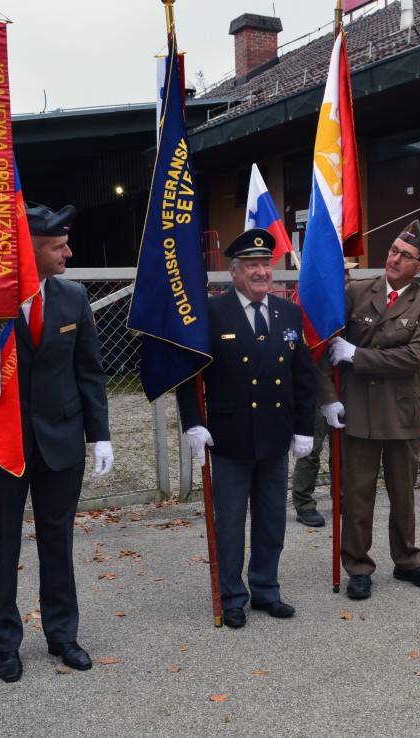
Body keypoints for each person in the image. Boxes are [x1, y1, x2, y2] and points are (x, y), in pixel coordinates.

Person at [0, 202, 113, 683]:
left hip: (61, 441)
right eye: (58, 246)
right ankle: (7, 641)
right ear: (30, 248)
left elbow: (89, 372)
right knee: (3, 546)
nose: (68, 253)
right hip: (3, 443)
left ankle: (62, 635)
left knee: (57, 541)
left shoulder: (72, 296)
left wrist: (100, 436)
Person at [177, 228, 316, 629]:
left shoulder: (287, 312)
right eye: (252, 265)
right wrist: (193, 423)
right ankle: (232, 595)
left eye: (266, 264)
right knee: (232, 520)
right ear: (234, 271)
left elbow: (302, 375)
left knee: (272, 518)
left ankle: (266, 590)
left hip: (274, 435)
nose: (261, 272)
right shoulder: (211, 311)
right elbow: (189, 375)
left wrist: (303, 427)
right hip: (230, 436)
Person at [319, 219, 420, 600]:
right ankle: (357, 566)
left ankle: (407, 560)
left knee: (403, 493)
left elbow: (415, 356)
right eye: (393, 251)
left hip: (400, 412)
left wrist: (359, 354)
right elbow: (325, 346)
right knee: (357, 494)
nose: (395, 259)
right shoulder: (356, 291)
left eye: (405, 256)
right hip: (356, 409)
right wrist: (328, 398)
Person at [289, 259, 359, 527]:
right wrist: (329, 397)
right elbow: (312, 360)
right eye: (343, 274)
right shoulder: (312, 306)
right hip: (317, 390)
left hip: (346, 387)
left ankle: (341, 498)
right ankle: (304, 503)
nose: (349, 278)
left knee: (343, 448)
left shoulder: (349, 303)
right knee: (312, 448)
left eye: (349, 273)